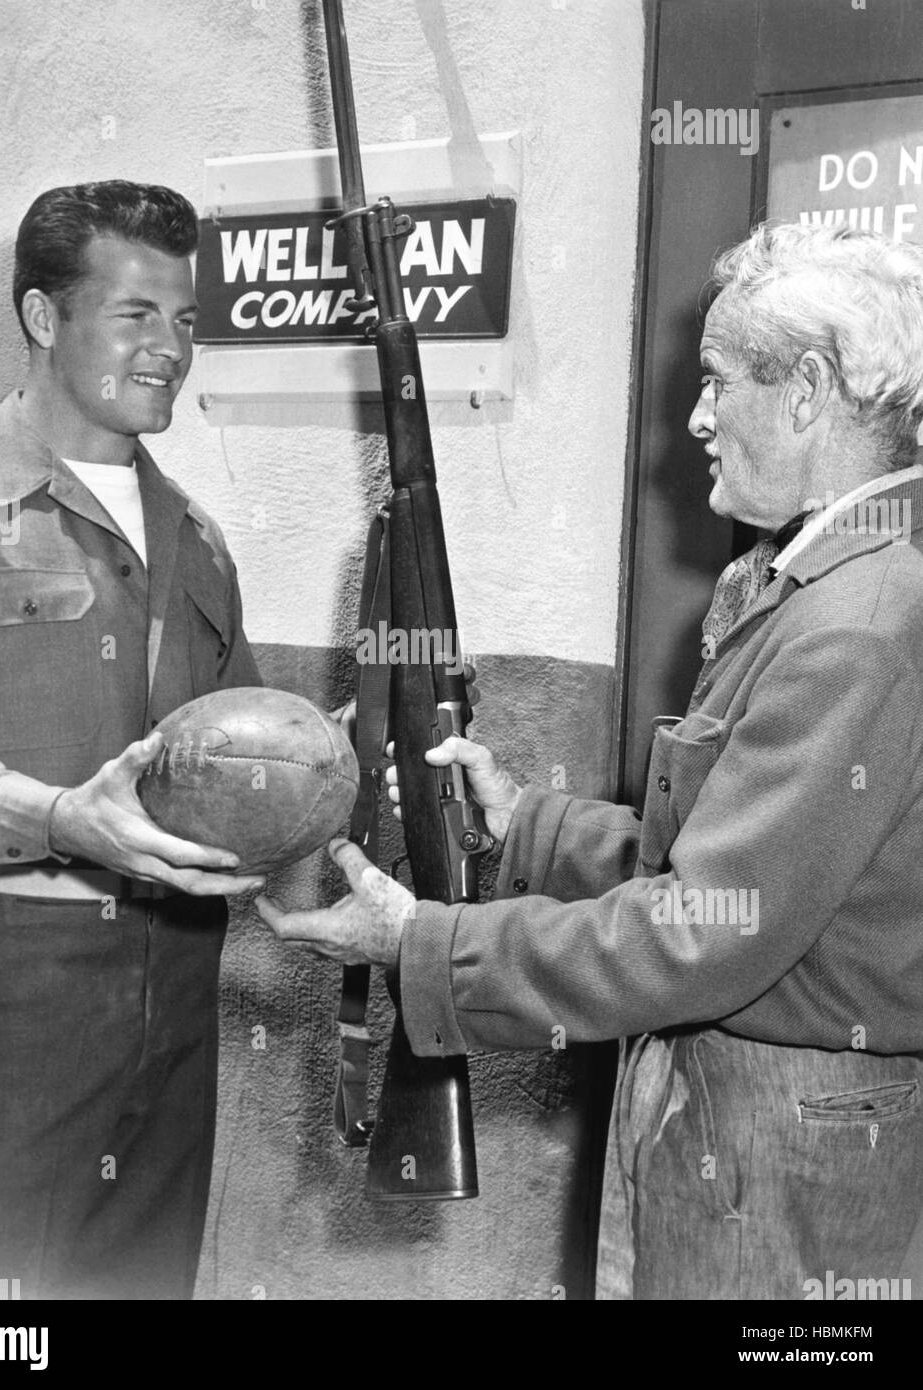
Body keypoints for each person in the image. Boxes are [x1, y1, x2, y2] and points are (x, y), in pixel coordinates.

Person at [258, 222, 923, 1300]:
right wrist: (525, 822)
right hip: (750, 1115)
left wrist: (425, 943)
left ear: (806, 390)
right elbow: (734, 867)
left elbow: (703, 929)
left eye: (717, 382)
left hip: (787, 1148)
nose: (698, 418)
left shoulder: (860, 619)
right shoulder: (808, 585)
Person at [0, 181, 268, 1300]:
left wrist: (346, 768)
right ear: (45, 318)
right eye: (136, 315)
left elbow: (238, 761)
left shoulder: (195, 537)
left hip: (174, 1001)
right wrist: (55, 815)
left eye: (187, 321)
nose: (171, 350)